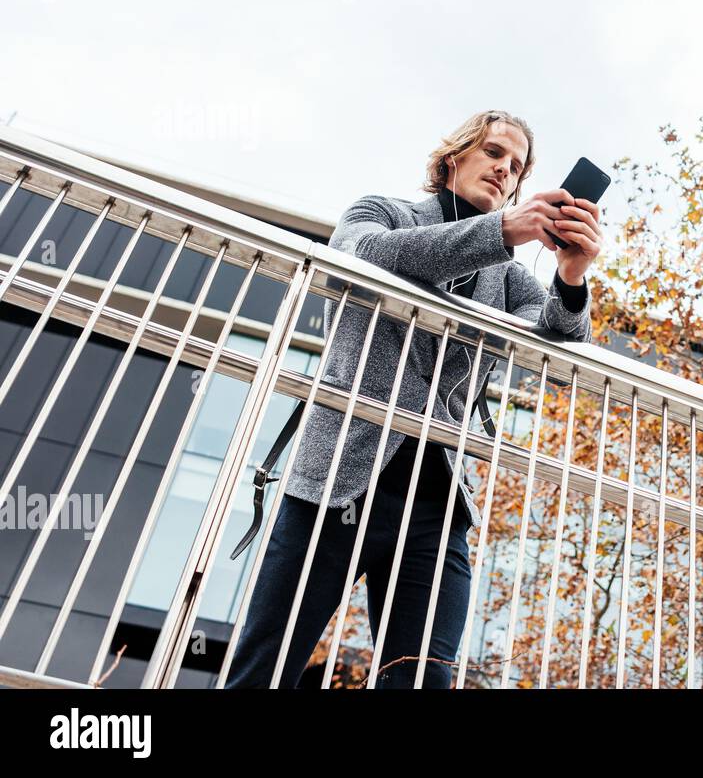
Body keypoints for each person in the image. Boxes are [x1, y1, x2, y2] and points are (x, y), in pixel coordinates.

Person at [224, 110, 602, 688]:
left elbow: (556, 351)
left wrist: (572, 277)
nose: (505, 171)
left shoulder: (507, 281)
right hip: (339, 484)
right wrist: (501, 233)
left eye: (517, 167)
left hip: (435, 506)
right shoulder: (380, 213)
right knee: (262, 672)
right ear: (454, 157)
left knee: (424, 682)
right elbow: (361, 256)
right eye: (495, 153)